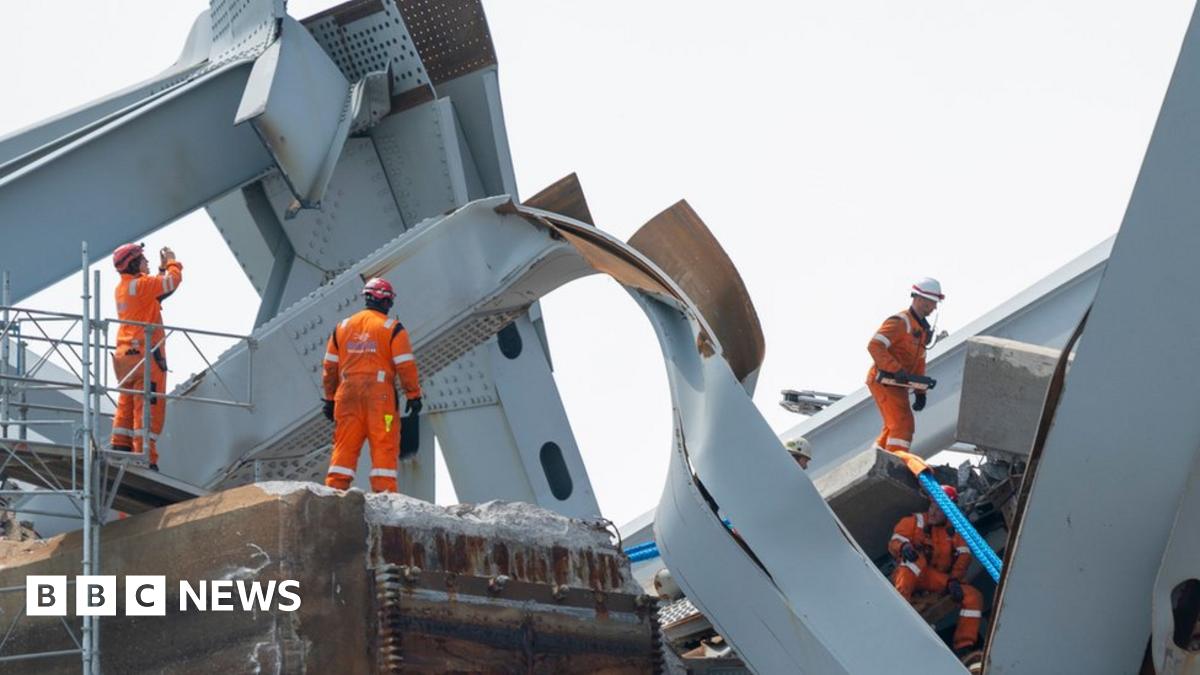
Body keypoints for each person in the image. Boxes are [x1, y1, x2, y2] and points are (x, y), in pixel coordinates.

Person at [321, 278, 422, 492]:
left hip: (346, 397)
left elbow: (329, 367)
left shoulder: (342, 327)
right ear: (387, 302)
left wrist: (330, 398)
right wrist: (413, 396)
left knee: (344, 446)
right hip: (381, 400)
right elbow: (405, 366)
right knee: (384, 443)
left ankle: (334, 493)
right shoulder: (392, 329)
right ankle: (384, 496)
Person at [108, 243, 183, 471]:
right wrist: (171, 261)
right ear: (133, 263)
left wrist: (158, 271)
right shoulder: (141, 285)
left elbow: (157, 294)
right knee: (147, 405)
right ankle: (146, 458)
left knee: (127, 402)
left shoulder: (124, 287)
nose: (147, 262)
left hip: (125, 355)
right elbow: (172, 282)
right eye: (143, 258)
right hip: (145, 354)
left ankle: (120, 447)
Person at [889, 484, 983, 652]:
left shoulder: (954, 532)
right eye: (932, 506)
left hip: (935, 579)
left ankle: (964, 646)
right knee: (915, 561)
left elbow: (964, 555)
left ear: (948, 513)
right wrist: (903, 547)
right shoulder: (914, 522)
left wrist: (954, 579)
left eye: (939, 509)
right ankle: (900, 608)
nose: (933, 512)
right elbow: (895, 541)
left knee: (972, 596)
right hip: (908, 575)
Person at [866, 277, 943, 455]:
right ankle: (893, 463)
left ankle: (877, 458)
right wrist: (894, 369)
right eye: (932, 302)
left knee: (892, 425)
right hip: (884, 380)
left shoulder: (920, 330)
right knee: (903, 424)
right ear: (920, 299)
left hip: (897, 382)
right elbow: (875, 346)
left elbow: (919, 361)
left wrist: (920, 392)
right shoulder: (900, 322)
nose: (934, 308)